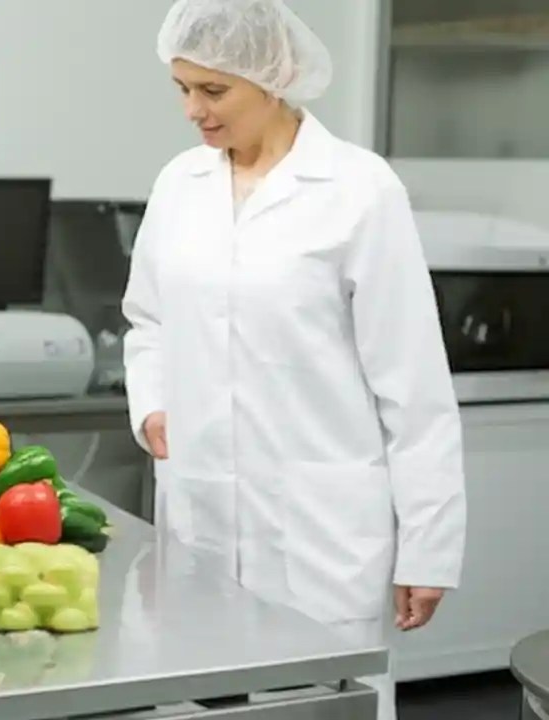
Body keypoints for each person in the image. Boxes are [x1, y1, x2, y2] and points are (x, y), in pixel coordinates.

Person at [121, 1, 467, 717]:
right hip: (201, 509)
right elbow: (146, 318)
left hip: (320, 525)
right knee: (198, 695)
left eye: (213, 91)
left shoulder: (359, 190)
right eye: (182, 88)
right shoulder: (178, 186)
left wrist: (429, 549)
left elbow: (413, 385)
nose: (193, 110)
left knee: (320, 705)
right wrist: (151, 400)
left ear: (273, 79)